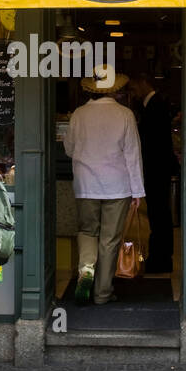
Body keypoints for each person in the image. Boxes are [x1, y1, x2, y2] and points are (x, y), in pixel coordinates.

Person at [63, 67, 145, 305]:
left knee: (88, 231)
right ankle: (102, 293)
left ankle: (86, 269)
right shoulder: (125, 114)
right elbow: (132, 154)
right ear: (117, 91)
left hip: (85, 184)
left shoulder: (79, 113)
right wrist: (137, 191)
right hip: (117, 186)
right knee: (109, 239)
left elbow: (68, 148)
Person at [127, 72, 178, 275]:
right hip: (158, 167)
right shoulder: (152, 104)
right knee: (158, 213)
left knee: (159, 214)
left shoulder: (156, 105)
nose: (133, 92)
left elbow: (153, 141)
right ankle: (159, 258)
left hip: (157, 168)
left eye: (134, 87)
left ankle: (161, 259)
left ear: (143, 82)